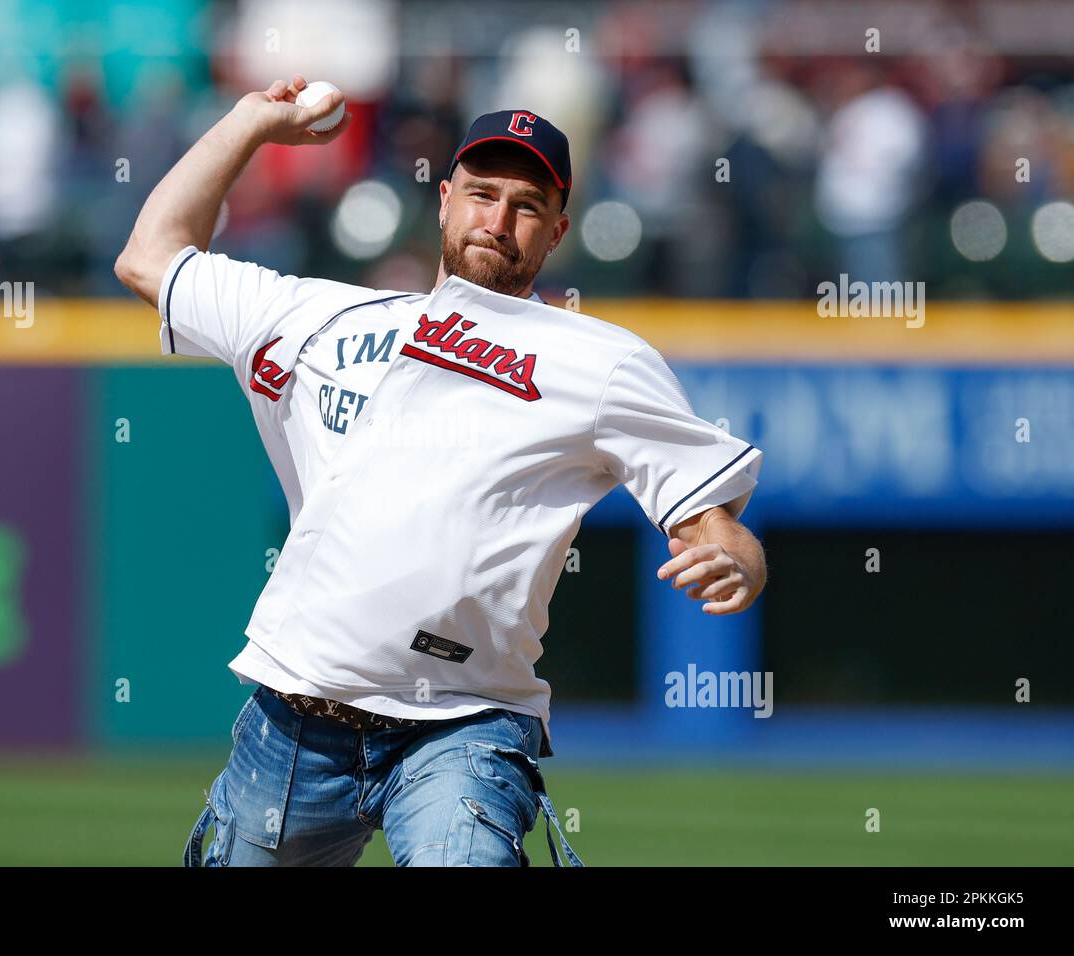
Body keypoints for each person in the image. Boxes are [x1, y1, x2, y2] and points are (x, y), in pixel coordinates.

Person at [115, 75, 766, 867]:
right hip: (295, 718)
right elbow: (150, 258)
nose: (499, 220)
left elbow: (711, 520)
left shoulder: (601, 361)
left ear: (556, 233)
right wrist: (249, 125)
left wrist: (734, 551)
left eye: (527, 205)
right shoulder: (317, 315)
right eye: (483, 194)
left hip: (466, 726)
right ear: (445, 199)